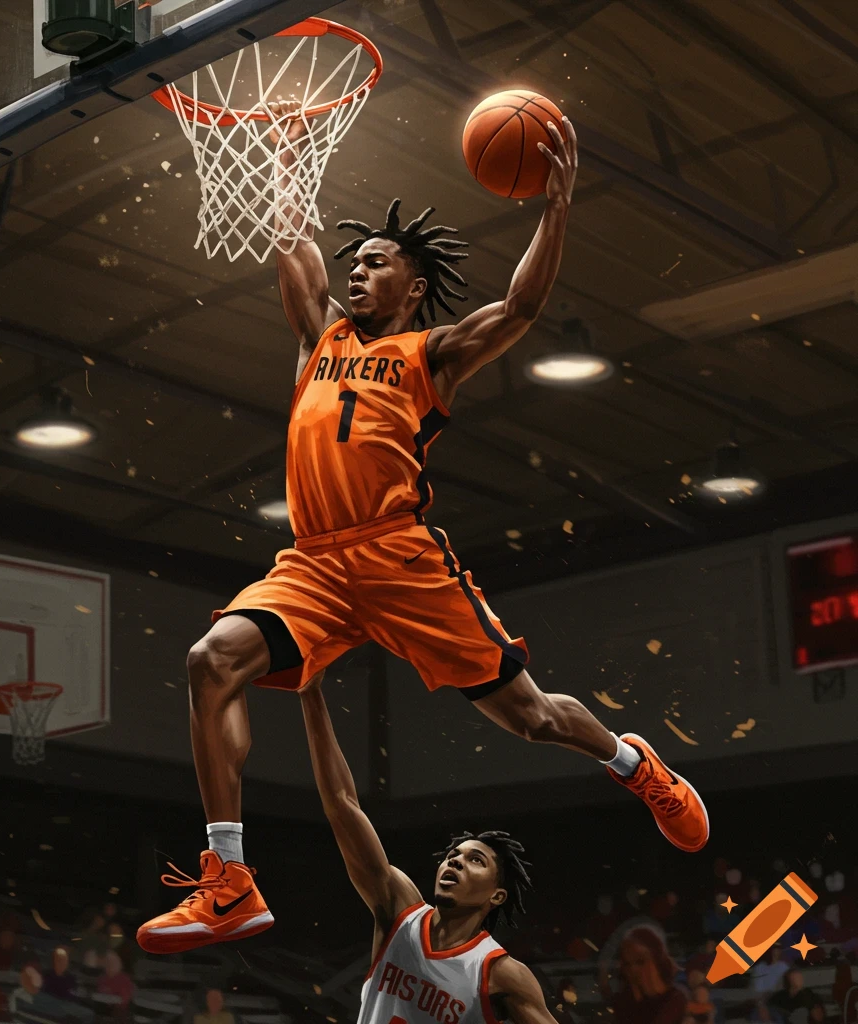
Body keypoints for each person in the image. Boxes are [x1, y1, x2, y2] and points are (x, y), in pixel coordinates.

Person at [137, 100, 709, 957]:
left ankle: (637, 768)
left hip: (399, 557)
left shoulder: (430, 355)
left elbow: (518, 307)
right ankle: (229, 880)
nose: (359, 272)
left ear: (413, 285)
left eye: (377, 264)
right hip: (315, 566)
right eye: (356, 263)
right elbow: (293, 241)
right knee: (209, 660)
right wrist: (291, 156)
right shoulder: (317, 338)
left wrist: (556, 207)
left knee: (532, 718)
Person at [292, 675, 561, 1024]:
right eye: (453, 856)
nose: (456, 862)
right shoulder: (397, 909)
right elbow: (342, 805)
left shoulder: (502, 974)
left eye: (475, 860)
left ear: (497, 895)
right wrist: (310, 693)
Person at [603, 926, 687, 1024]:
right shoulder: (624, 1002)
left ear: (655, 960)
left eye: (640, 962)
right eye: (627, 964)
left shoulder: (675, 999)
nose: (633, 969)